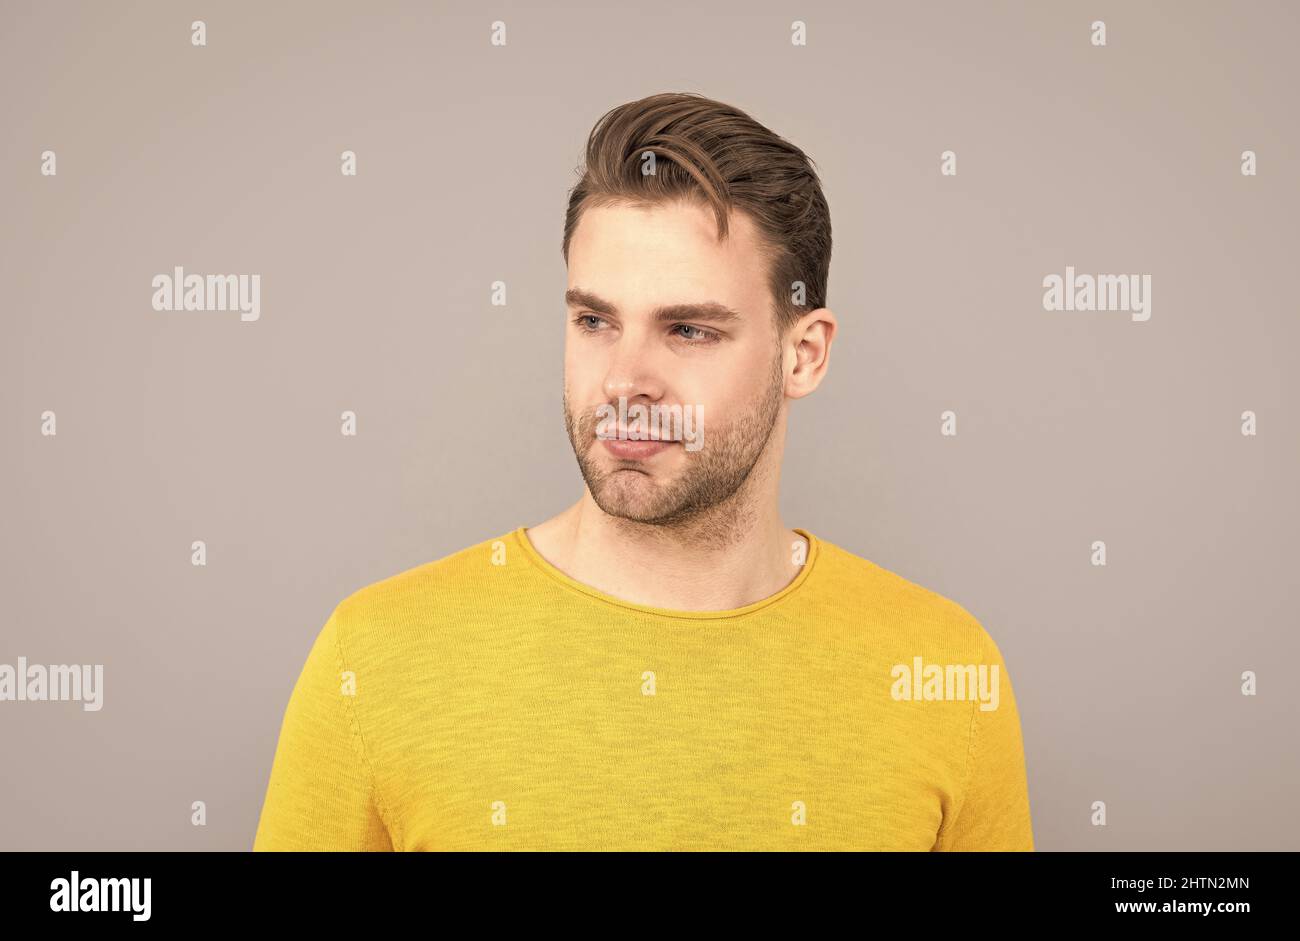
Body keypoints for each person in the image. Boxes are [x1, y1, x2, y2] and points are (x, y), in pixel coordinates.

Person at [253, 92, 1033, 851]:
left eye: (688, 329)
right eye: (595, 321)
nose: (625, 379)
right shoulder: (376, 658)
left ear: (804, 353)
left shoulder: (945, 671)